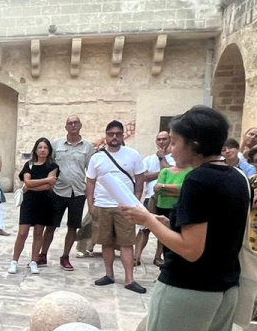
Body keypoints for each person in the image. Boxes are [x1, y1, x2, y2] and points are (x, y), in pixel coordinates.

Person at [118, 106, 249, 331]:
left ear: (193, 143)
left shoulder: (198, 180)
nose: (170, 149)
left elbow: (191, 249)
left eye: (174, 142)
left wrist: (148, 222)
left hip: (187, 291)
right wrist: (157, 221)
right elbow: (215, 232)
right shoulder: (237, 178)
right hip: (224, 291)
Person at [86, 120, 147, 293]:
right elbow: (90, 182)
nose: (114, 137)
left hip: (125, 207)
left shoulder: (133, 155)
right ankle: (109, 275)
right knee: (106, 242)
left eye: (118, 134)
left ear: (122, 135)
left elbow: (139, 180)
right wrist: (91, 205)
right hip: (103, 205)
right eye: (111, 134)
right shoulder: (97, 157)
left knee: (127, 243)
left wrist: (135, 202)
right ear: (106, 135)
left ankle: (129, 279)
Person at [41, 114, 91, 270]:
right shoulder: (56, 144)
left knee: (72, 227)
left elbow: (91, 170)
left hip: (78, 192)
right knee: (50, 225)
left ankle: (65, 257)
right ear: (66, 127)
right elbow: (50, 165)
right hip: (57, 191)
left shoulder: (88, 147)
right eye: (70, 123)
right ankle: (43, 255)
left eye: (76, 122)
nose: (73, 125)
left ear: (80, 125)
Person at [8, 138, 59, 274]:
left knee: (38, 233)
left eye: (45, 148)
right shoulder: (29, 165)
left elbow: (48, 186)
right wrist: (44, 181)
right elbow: (27, 183)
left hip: (44, 202)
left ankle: (33, 261)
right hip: (29, 202)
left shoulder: (53, 166)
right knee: (22, 233)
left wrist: (35, 184)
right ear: (35, 150)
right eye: (40, 147)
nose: (42, 150)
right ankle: (14, 261)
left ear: (49, 150)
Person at [136, 131, 174, 267]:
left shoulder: (174, 158)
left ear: (170, 140)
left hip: (167, 199)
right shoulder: (148, 159)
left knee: (164, 230)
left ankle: (158, 256)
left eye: (164, 139)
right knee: (144, 228)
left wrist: (162, 159)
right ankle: (137, 256)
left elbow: (172, 174)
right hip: (150, 198)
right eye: (159, 139)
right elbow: (143, 177)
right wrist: (162, 172)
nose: (162, 142)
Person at [146, 159, 193, 267]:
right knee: (164, 236)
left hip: (180, 208)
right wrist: (175, 190)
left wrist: (164, 187)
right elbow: (157, 189)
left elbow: (184, 189)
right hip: (162, 207)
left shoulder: (191, 171)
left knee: (178, 236)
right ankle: (166, 262)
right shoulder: (165, 171)